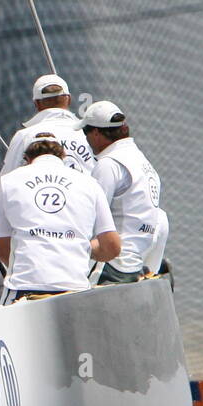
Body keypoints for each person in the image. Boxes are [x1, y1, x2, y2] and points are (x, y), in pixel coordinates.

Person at [0, 132, 120, 301]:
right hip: (75, 289)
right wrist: (79, 246)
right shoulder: (90, 184)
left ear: (27, 158)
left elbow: (3, 248)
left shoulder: (7, 181)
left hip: (23, 288)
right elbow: (112, 246)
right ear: (63, 155)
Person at [82, 100, 168, 285]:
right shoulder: (143, 162)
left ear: (96, 132)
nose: (86, 140)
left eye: (85, 132)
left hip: (106, 266)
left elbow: (89, 219)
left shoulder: (109, 164)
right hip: (133, 266)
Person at [0, 74, 95, 179]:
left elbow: (6, 181)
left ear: (36, 104)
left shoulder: (24, 136)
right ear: (69, 99)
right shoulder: (91, 134)